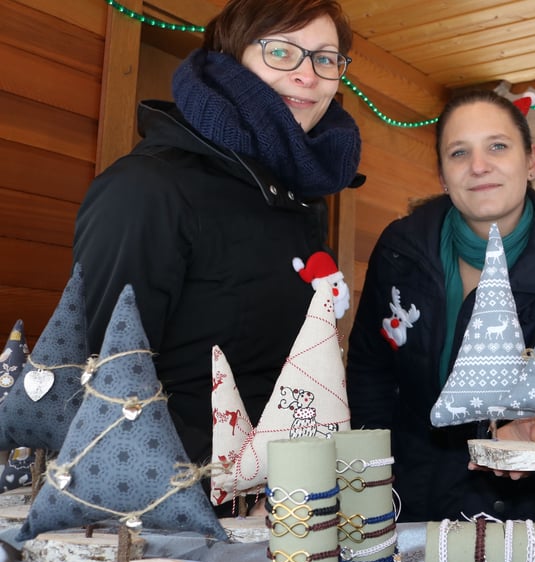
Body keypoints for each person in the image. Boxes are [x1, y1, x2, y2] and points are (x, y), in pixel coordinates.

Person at [73, 0, 361, 465]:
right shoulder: (149, 189)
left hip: (285, 498)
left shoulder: (298, 197)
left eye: (325, 58)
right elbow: (105, 383)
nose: (308, 75)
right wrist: (228, 481)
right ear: (231, 60)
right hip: (182, 508)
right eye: (282, 52)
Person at [347, 90, 535, 522]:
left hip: (511, 507)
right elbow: (369, 370)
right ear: (443, 174)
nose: (479, 166)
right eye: (459, 152)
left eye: (498, 146)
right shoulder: (400, 248)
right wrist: (369, 476)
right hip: (399, 501)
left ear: (531, 162)